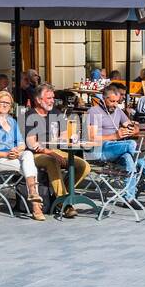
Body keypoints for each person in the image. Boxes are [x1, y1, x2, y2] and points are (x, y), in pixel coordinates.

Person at [22, 83, 90, 218]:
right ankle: (64, 203)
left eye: (53, 97)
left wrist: (67, 137)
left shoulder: (56, 112)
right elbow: (32, 143)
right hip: (36, 155)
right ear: (38, 100)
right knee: (52, 161)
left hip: (55, 151)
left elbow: (65, 134)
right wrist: (51, 152)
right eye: (48, 98)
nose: (52, 100)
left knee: (84, 166)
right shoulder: (29, 116)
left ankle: (60, 196)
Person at [86, 84, 145, 198]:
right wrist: (115, 136)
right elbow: (92, 137)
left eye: (117, 101)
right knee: (131, 144)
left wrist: (133, 130)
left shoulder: (118, 111)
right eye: (112, 101)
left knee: (128, 158)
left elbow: (132, 126)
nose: (115, 105)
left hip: (116, 148)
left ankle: (129, 198)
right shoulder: (94, 111)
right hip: (99, 149)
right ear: (103, 98)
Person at [0, 91, 45, 220]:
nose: (5, 105)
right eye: (2, 102)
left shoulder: (12, 122)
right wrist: (6, 154)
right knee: (30, 169)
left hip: (13, 156)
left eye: (8, 103)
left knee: (27, 154)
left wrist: (16, 150)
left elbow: (22, 144)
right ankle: (36, 206)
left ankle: (33, 195)